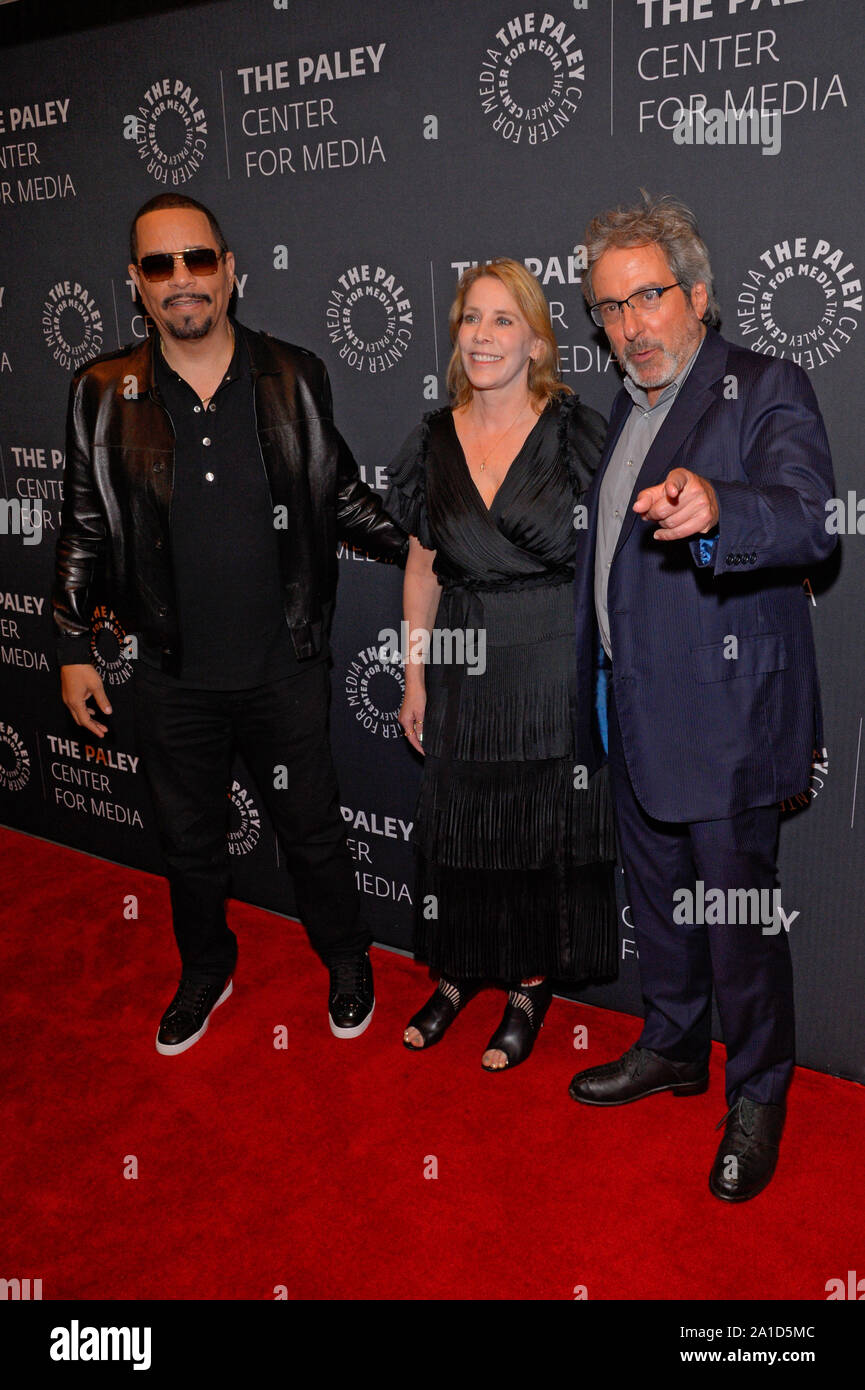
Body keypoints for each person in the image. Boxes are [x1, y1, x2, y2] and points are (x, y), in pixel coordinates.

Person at [53, 193, 408, 1055]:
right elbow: (84, 526)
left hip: (285, 663)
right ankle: (206, 971)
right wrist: (70, 646)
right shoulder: (104, 391)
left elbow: (340, 497)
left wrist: (434, 543)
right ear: (135, 284)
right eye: (160, 265)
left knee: (314, 832)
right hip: (174, 673)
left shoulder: (293, 375)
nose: (183, 280)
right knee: (188, 844)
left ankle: (346, 956)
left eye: (199, 259)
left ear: (231, 270)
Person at [567, 193, 836, 1201]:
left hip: (726, 724)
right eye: (608, 307)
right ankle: (674, 1045)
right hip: (629, 713)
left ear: (698, 295)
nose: (630, 325)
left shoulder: (765, 385)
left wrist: (722, 507)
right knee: (662, 908)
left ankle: (757, 1092)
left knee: (737, 923)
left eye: (647, 297)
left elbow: (810, 520)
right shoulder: (624, 414)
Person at [386, 259, 617, 1071]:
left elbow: (616, 554)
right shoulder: (429, 438)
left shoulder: (575, 430)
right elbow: (420, 566)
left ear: (535, 339)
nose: (483, 335)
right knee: (461, 832)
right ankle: (459, 973)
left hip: (551, 661)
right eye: (471, 318)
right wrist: (414, 675)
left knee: (535, 832)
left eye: (503, 320)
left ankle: (526, 982)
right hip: (461, 660)